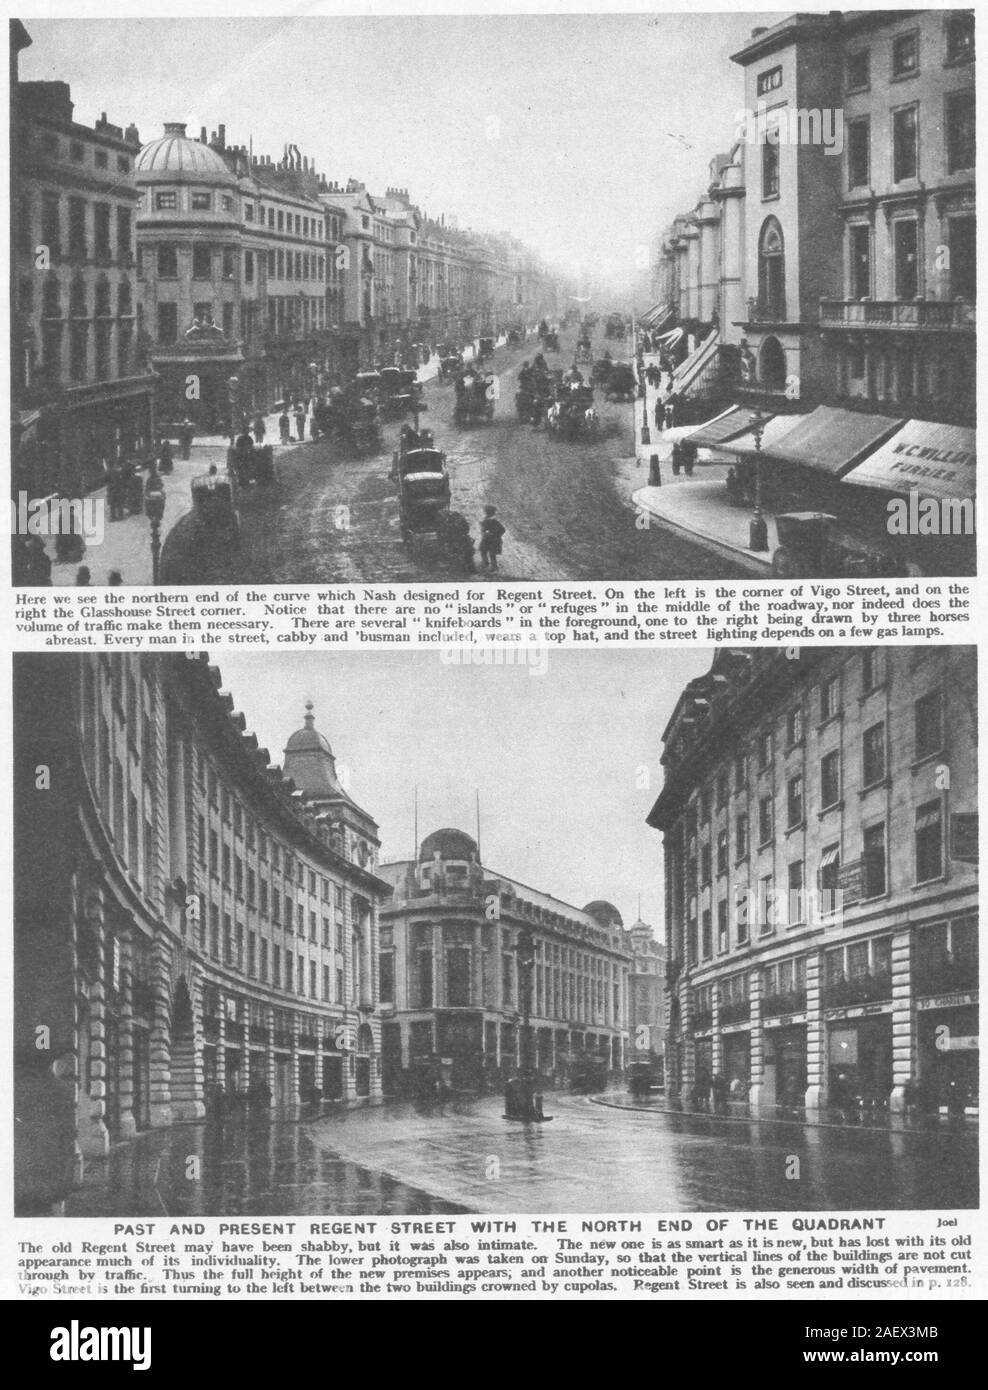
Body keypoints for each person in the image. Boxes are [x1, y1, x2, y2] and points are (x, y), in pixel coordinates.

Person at [479, 505, 505, 573]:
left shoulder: (493, 521)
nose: (486, 513)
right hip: (486, 539)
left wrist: (493, 534)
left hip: (493, 540)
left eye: (487, 512)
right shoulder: (485, 519)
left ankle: (493, 567)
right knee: (483, 550)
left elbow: (502, 530)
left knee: (491, 553)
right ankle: (485, 564)